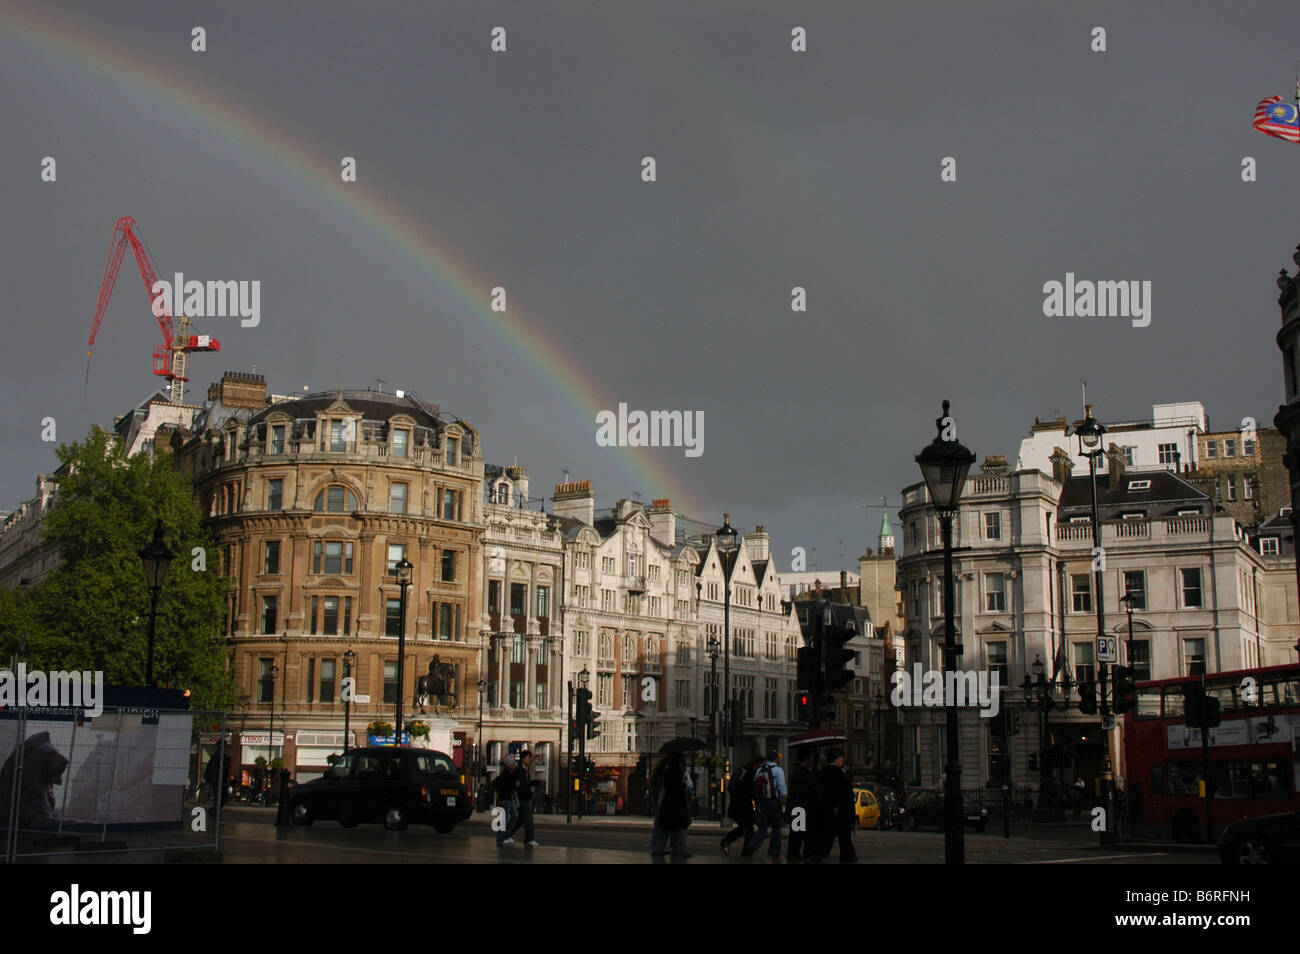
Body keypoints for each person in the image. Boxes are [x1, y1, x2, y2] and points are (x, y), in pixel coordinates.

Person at [742, 750, 787, 860]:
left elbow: (755, 785)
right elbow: (782, 788)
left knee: (762, 827)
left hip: (763, 802)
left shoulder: (760, 770)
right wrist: (785, 803)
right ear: (776, 758)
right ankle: (774, 853)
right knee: (776, 828)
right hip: (774, 802)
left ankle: (752, 845)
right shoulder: (778, 770)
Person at [650, 753, 692, 857]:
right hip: (673, 803)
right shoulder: (675, 770)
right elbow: (677, 786)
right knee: (678, 828)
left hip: (663, 802)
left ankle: (658, 848)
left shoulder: (662, 769)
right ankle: (679, 850)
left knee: (662, 828)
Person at [820, 749, 857, 863]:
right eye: (841, 757)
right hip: (840, 810)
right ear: (836, 759)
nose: (843, 760)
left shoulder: (837, 771)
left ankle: (847, 855)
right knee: (840, 835)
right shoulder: (834, 772)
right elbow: (837, 791)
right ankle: (847, 855)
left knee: (839, 835)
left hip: (839, 809)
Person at [786, 746, 821, 862]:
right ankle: (797, 855)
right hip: (801, 809)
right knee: (799, 836)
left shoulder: (796, 771)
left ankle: (796, 855)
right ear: (805, 759)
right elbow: (812, 787)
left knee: (797, 836)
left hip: (798, 808)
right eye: (809, 759)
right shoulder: (801, 773)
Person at [721, 755, 761, 855]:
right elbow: (749, 789)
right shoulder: (749, 773)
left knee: (745, 827)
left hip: (738, 803)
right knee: (747, 826)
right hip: (742, 804)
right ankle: (743, 849)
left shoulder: (744, 770)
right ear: (757, 765)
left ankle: (731, 843)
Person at [506, 750, 539, 846]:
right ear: (523, 759)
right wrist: (529, 793)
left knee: (519, 820)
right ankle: (529, 839)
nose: (530, 760)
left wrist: (536, 782)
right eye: (528, 758)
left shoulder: (525, 771)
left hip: (524, 797)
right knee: (529, 819)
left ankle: (505, 835)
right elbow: (521, 785)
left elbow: (526, 783)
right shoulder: (519, 770)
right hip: (521, 798)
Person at [494, 755, 519, 845]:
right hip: (505, 799)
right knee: (504, 818)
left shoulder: (512, 773)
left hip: (510, 799)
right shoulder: (505, 775)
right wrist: (515, 785)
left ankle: (506, 835)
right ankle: (501, 837)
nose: (514, 765)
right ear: (509, 765)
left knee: (514, 816)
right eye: (512, 763)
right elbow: (507, 786)